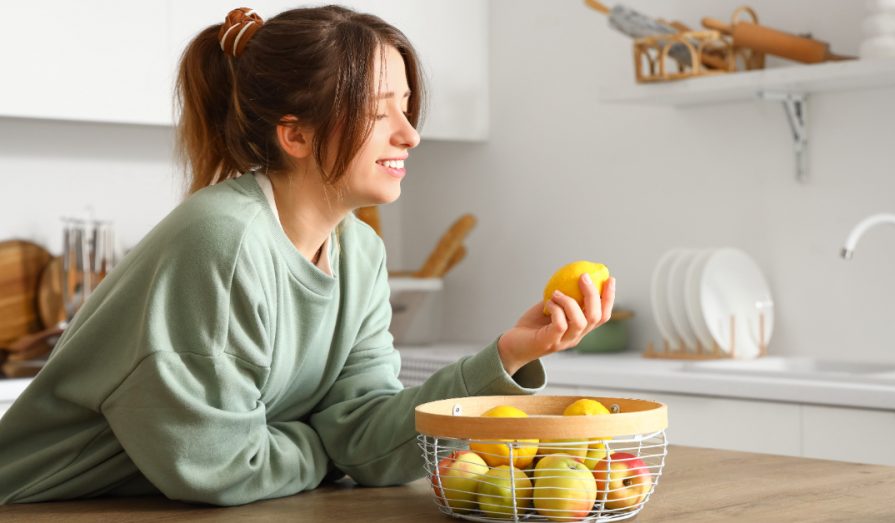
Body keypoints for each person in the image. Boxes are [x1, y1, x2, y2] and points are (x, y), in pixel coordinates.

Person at [0, 5, 614, 506]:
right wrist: (326, 447)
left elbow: (368, 442)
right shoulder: (224, 238)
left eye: (406, 105)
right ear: (295, 134)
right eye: (380, 111)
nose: (410, 132)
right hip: (40, 507)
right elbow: (218, 468)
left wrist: (507, 355)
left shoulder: (360, 253)